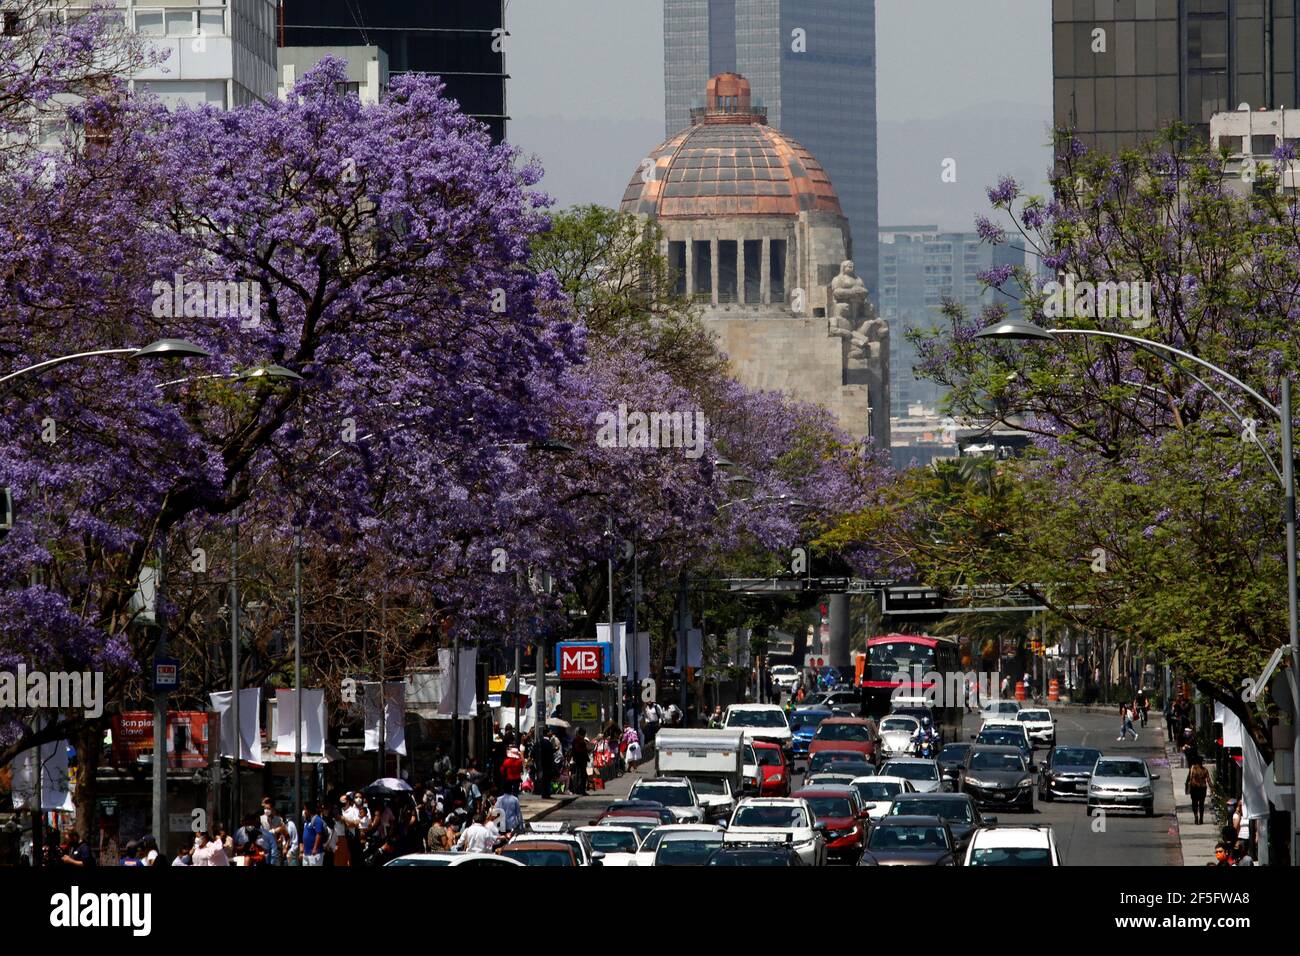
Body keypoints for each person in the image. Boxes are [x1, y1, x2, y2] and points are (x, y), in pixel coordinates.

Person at [301, 802, 327, 866]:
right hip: (306, 853)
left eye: (305, 809)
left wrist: (315, 848)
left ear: (309, 810)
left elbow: (319, 834)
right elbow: (305, 837)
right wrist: (302, 850)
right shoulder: (307, 821)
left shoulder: (317, 820)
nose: (304, 812)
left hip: (315, 853)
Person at [533, 730, 555, 800]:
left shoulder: (539, 742)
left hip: (540, 763)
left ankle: (543, 793)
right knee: (547, 780)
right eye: (550, 732)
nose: (551, 733)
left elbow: (534, 752)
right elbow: (551, 755)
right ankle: (546, 794)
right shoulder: (548, 743)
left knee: (542, 779)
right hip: (547, 764)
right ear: (547, 733)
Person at [1187, 758, 1210, 824]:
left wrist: (1196, 784)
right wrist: (1212, 787)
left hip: (1194, 789)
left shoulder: (1193, 769)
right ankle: (1201, 818)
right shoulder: (1205, 770)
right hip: (1202, 789)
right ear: (1201, 762)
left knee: (1194, 803)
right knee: (1201, 804)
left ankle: (1196, 816)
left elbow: (1192, 779)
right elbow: (1208, 780)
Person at [570, 726, 591, 796]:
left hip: (581, 760)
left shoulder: (580, 740)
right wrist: (585, 750)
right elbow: (577, 750)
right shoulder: (577, 740)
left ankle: (581, 790)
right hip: (580, 760)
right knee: (581, 775)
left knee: (582, 775)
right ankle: (580, 790)